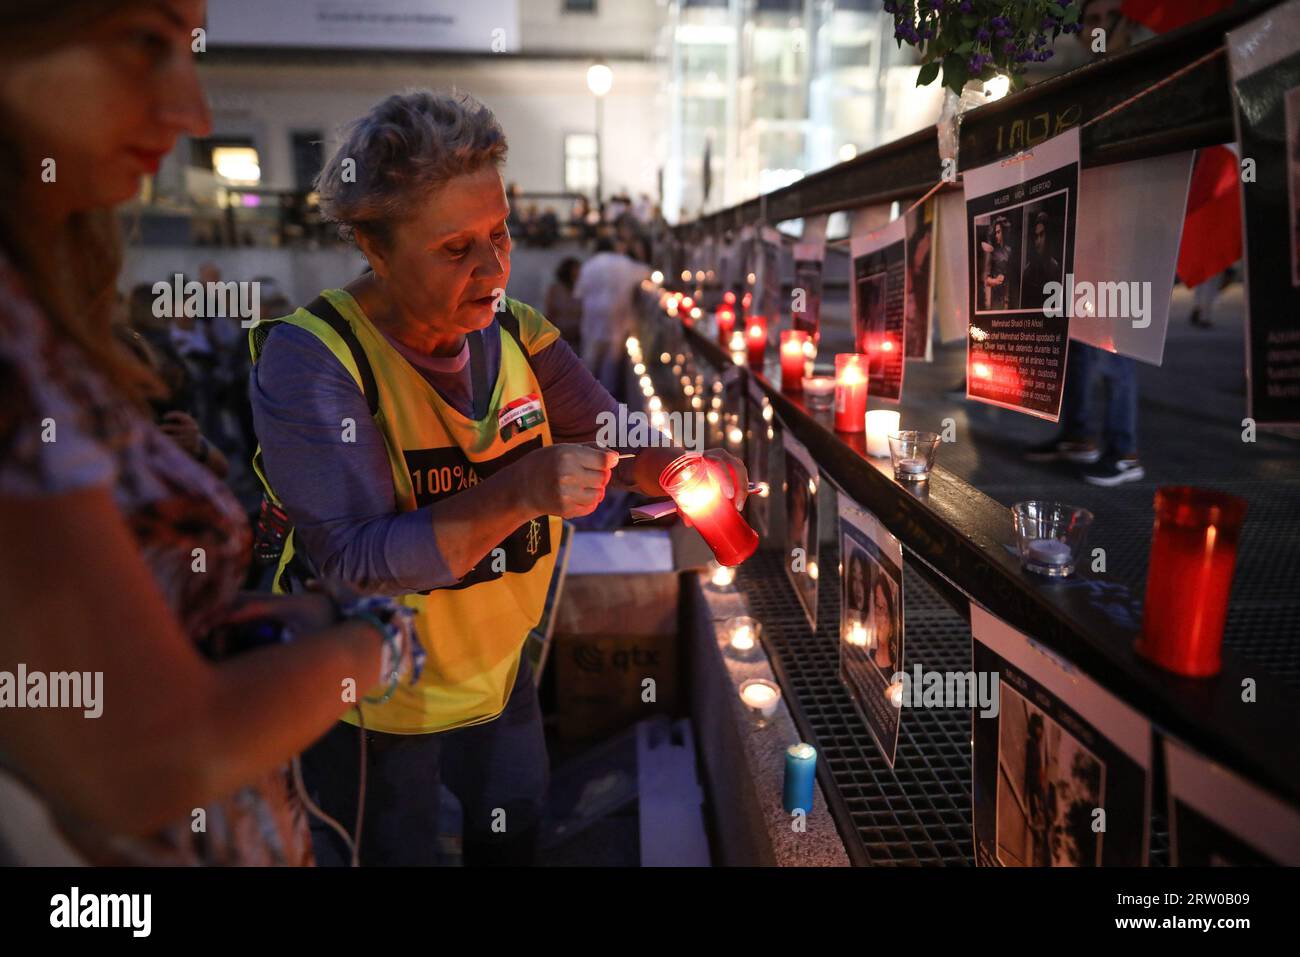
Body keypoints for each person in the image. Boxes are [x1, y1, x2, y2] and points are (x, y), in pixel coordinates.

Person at [249, 89, 748, 867]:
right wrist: (520, 489)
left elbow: (607, 428)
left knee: (514, 838)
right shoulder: (314, 357)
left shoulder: (515, 328)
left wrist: (680, 465)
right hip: (367, 700)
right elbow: (352, 560)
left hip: (498, 672)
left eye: (501, 232)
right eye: (456, 249)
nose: (492, 267)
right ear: (374, 248)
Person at [0, 0, 414, 866]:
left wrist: (266, 619)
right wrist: (376, 640)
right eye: (145, 42)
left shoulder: (44, 311)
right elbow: (148, 754)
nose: (192, 111)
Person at [575, 237, 650, 395]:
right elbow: (647, 272)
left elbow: (579, 294)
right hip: (618, 322)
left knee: (588, 365)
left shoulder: (589, 266)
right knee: (610, 371)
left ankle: (584, 406)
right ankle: (606, 408)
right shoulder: (624, 263)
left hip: (592, 322)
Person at [1020, 211, 1060, 311]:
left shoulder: (1055, 268)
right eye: (1036, 236)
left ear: (1048, 236)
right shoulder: (1028, 271)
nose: (1038, 242)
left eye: (1041, 235)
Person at [544, 256, 583, 351]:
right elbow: (550, 312)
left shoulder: (582, 289)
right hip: (560, 337)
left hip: (579, 338)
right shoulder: (555, 290)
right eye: (576, 270)